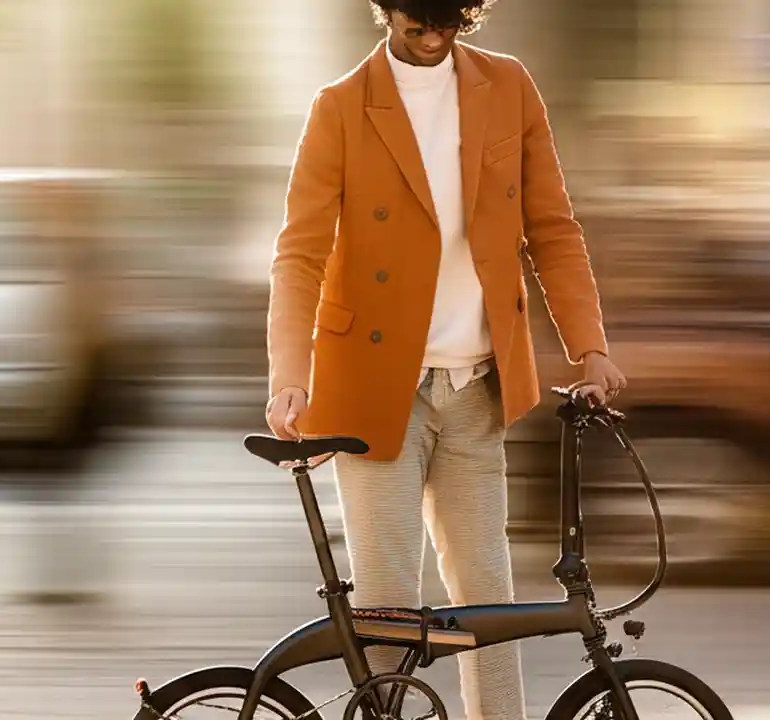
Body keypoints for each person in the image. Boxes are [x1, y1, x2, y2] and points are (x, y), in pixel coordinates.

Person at [264, 2, 625, 718]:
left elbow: (552, 228)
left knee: (487, 609)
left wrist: (591, 346)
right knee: (390, 611)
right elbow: (299, 254)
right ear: (387, 13)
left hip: (478, 388)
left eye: (449, 25)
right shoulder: (340, 107)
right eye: (415, 27)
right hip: (374, 390)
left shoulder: (509, 86)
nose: (432, 42)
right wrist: (287, 376)